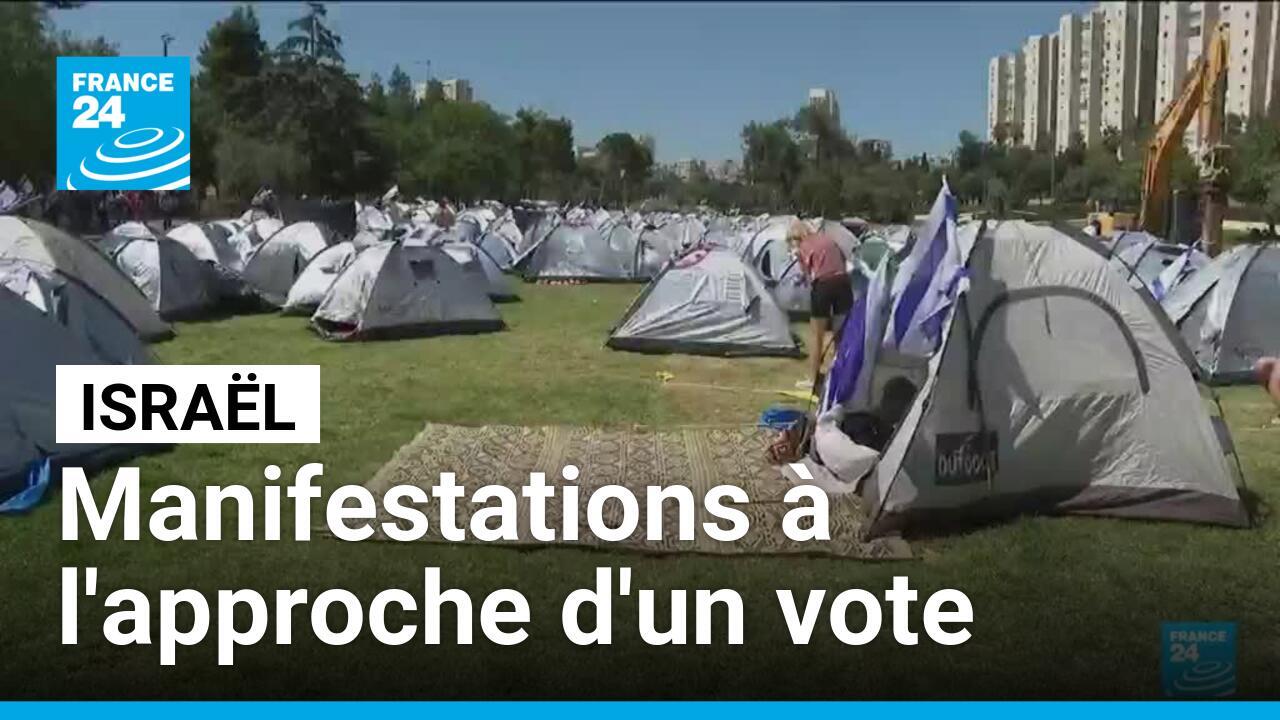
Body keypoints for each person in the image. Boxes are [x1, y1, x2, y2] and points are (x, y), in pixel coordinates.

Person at [787, 220, 853, 387]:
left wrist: (799, 261)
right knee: (841, 335)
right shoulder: (828, 239)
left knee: (817, 336)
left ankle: (812, 378)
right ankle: (841, 376)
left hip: (823, 285)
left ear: (796, 237)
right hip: (843, 284)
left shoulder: (803, 246)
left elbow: (807, 275)